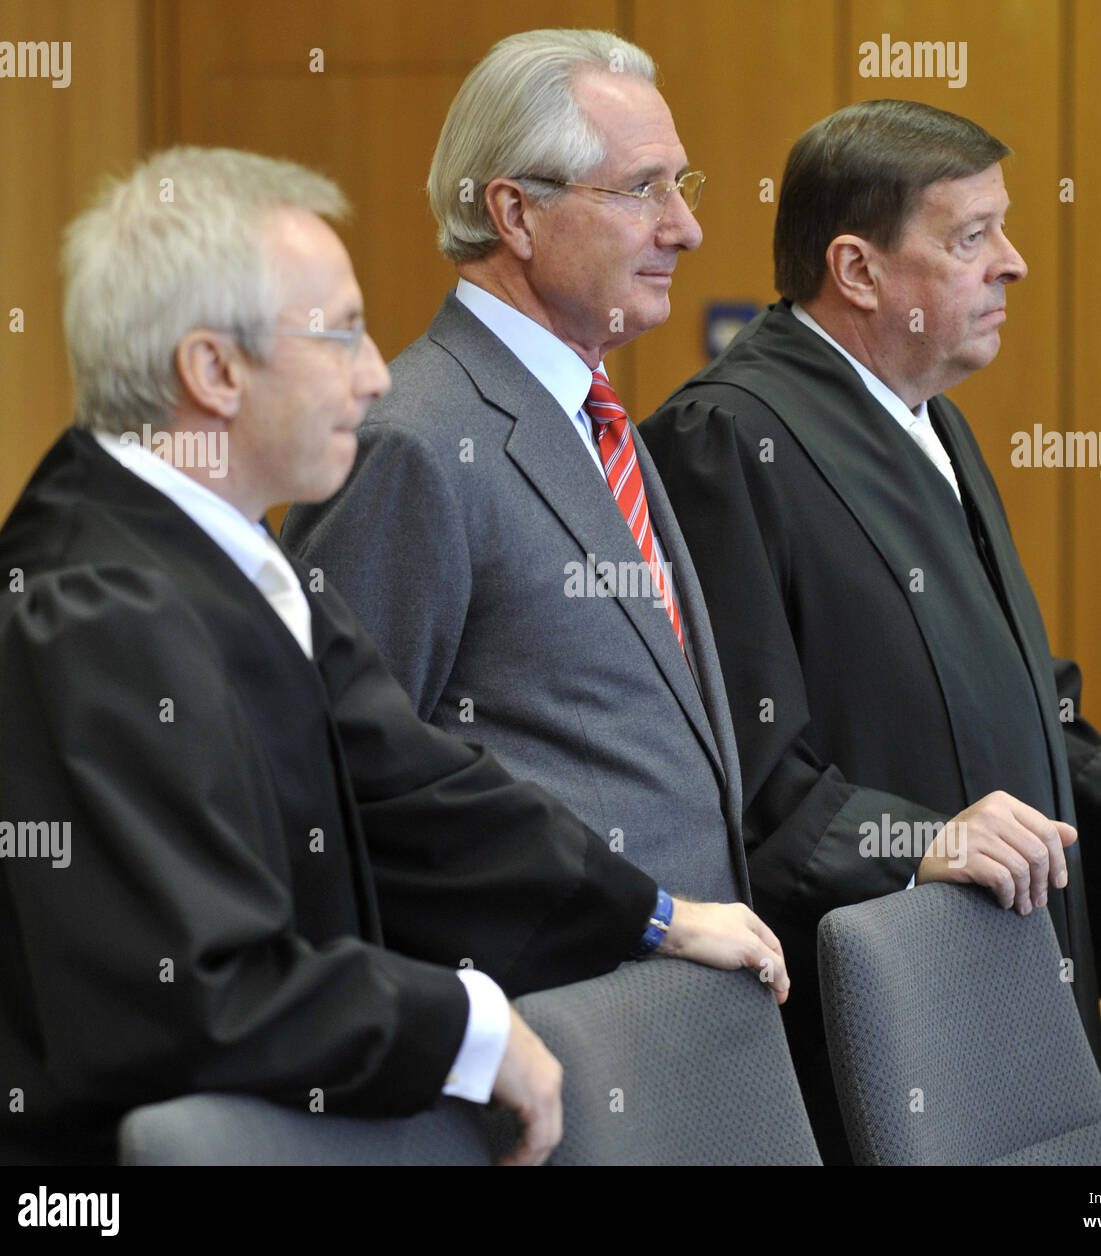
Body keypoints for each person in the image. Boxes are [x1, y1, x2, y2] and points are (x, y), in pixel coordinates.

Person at [0, 146, 785, 1166]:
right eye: (340, 336)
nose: (375, 374)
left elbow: (416, 787)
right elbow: (197, 989)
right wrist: (466, 1026)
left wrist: (655, 914)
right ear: (214, 371)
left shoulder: (228, 549)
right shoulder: (88, 617)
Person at [640, 99, 1101, 1162]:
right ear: (859, 268)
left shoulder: (928, 419)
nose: (1012, 263)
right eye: (970, 236)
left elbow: (1021, 703)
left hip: (1001, 977)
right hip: (879, 1035)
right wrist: (914, 835)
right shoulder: (725, 438)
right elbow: (748, 780)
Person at [283, 30, 755, 911]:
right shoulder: (412, 441)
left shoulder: (598, 416)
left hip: (682, 1015)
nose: (685, 228)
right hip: (551, 1016)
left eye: (681, 187)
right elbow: (334, 789)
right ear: (514, 213)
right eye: (642, 189)